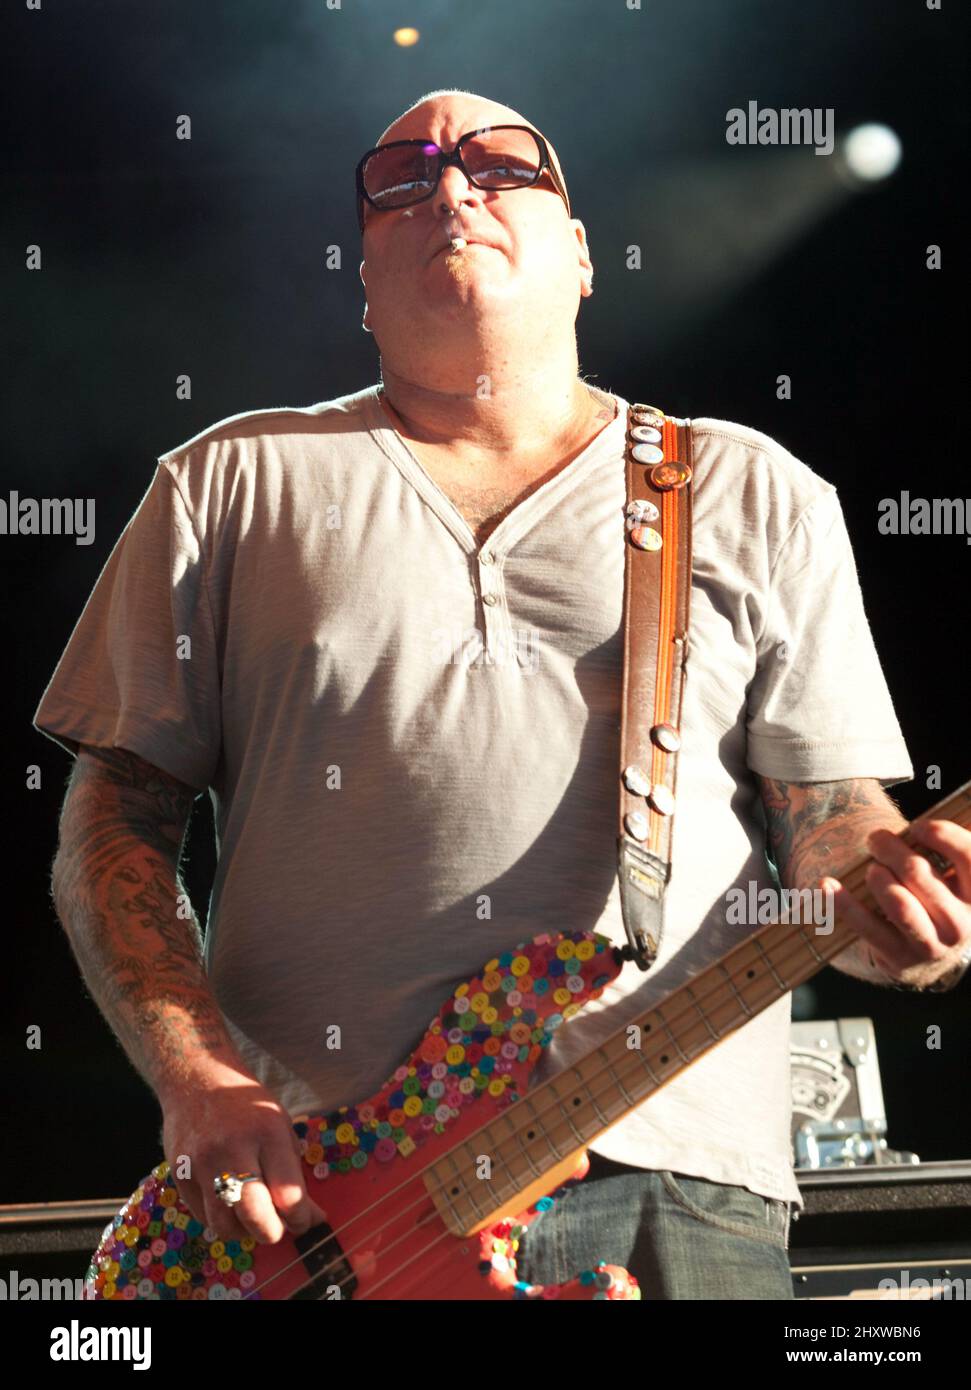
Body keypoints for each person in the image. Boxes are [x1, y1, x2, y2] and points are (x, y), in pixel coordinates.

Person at [34, 87, 971, 1301]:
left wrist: (901, 906)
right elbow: (110, 827)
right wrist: (202, 1081)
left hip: (671, 1176)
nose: (451, 188)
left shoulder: (751, 488)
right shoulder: (229, 481)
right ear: (362, 272)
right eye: (403, 177)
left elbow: (834, 827)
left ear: (580, 254)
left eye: (500, 164)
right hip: (318, 1220)